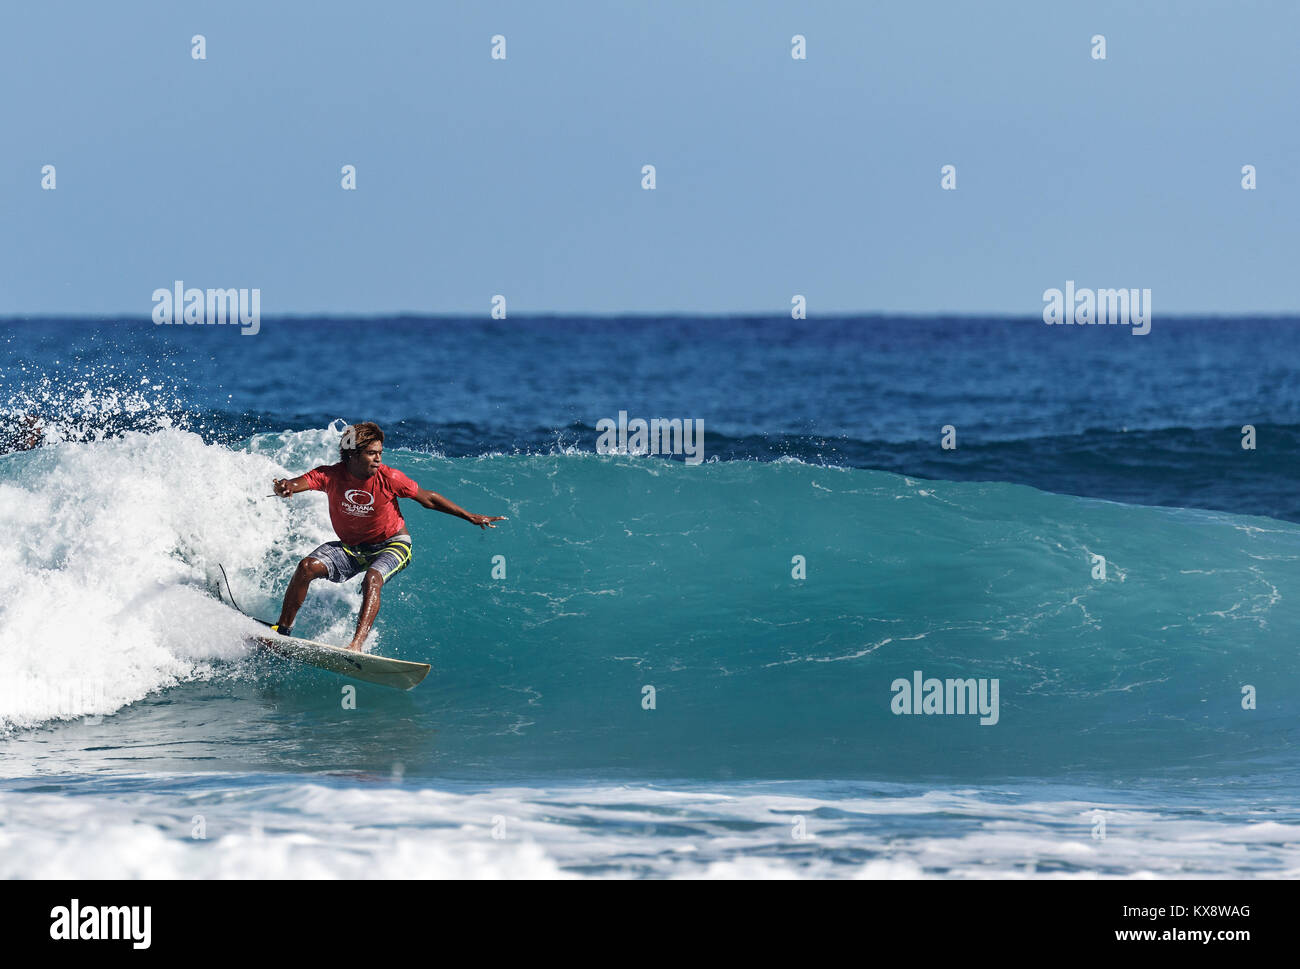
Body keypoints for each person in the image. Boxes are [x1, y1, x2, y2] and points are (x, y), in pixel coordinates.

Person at [271, 422, 505, 651]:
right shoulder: (330, 475)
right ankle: (282, 631)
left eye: (380, 453)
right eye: (372, 453)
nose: (378, 458)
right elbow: (296, 483)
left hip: (392, 544)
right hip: (352, 548)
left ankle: (356, 646)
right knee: (306, 567)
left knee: (372, 579)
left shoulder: (389, 477)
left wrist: (470, 516)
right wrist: (284, 487)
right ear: (352, 454)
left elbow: (428, 498)